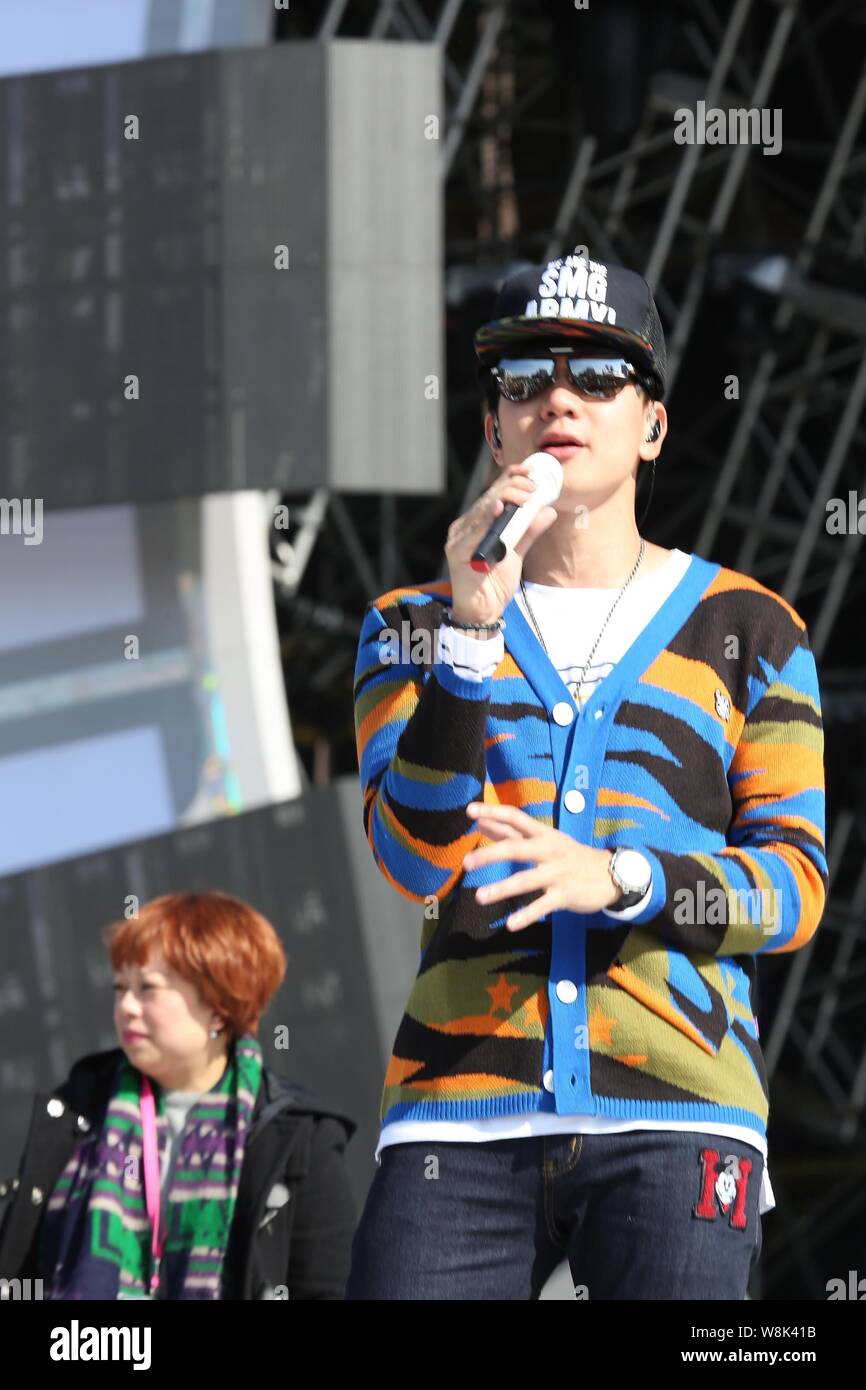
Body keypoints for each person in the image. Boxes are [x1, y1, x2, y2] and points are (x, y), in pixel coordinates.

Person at [346, 251, 829, 1300]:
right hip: (453, 1122)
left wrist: (621, 876)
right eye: (522, 380)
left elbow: (792, 889)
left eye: (598, 376)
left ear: (651, 424)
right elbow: (408, 854)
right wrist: (470, 639)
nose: (556, 398)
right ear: (491, 425)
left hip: (678, 1116)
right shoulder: (407, 625)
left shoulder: (751, 628)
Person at [0, 891, 357, 1300]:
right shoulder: (72, 1118)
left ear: (219, 1007)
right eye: (120, 988)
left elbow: (330, 1290)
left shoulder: (298, 1138)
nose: (126, 1007)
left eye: (147, 989)